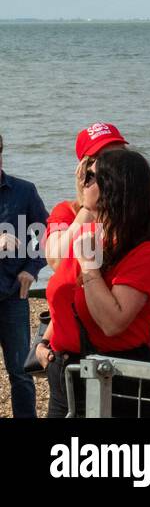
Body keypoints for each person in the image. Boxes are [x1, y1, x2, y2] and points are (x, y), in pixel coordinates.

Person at [41, 123, 150, 416]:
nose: (112, 163)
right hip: (73, 358)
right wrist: (87, 207)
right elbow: (59, 264)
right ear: (83, 170)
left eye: (118, 154)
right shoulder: (68, 212)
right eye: (100, 160)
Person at [0, 130, 48, 419]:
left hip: (12, 298)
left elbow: (47, 235)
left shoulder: (24, 191)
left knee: (20, 373)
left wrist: (31, 268)